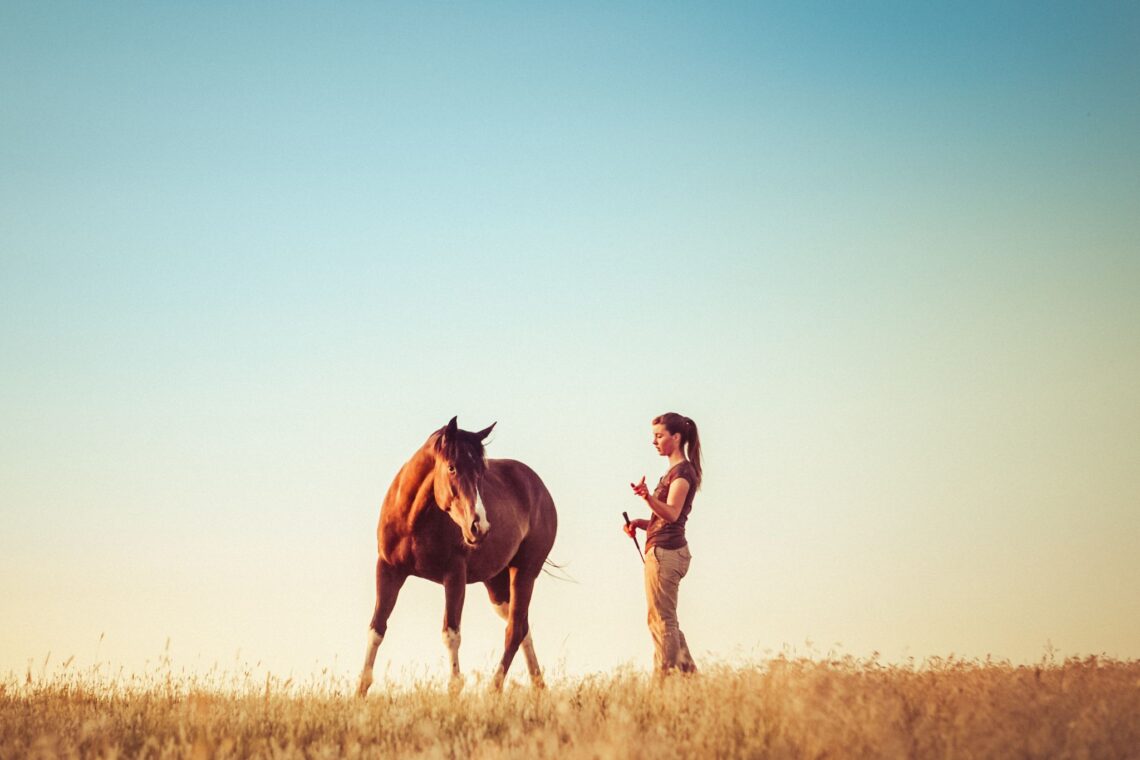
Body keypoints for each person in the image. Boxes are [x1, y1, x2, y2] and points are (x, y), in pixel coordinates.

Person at [625, 412, 701, 678]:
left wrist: (647, 497)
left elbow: (672, 514)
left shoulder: (682, 473)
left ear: (676, 437)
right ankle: (692, 680)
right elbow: (664, 519)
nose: (654, 441)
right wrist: (640, 523)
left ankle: (664, 683)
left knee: (661, 621)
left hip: (666, 554)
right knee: (666, 620)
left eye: (659, 436)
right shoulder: (676, 472)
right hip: (666, 550)